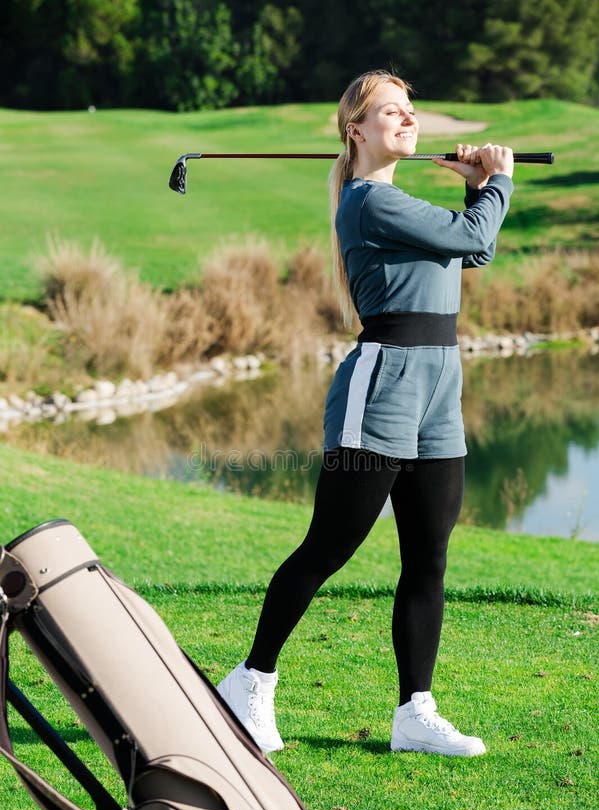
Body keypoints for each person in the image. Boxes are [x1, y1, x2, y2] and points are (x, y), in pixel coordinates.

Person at [218, 69, 514, 757]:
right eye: (391, 112)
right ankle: (250, 682)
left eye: (410, 110)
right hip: (383, 385)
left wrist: (478, 190)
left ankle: (415, 713)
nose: (408, 120)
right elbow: (473, 233)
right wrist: (497, 181)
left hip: (440, 386)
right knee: (331, 544)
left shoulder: (402, 204)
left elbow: (478, 246)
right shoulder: (368, 202)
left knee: (429, 556)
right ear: (356, 130)